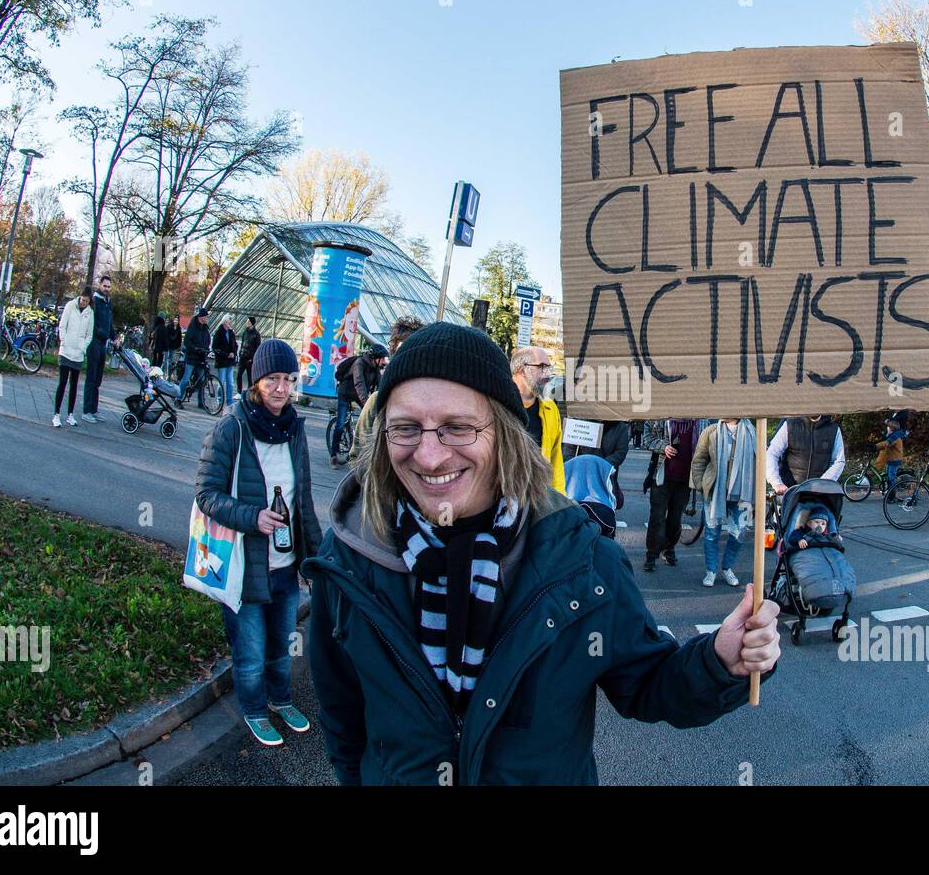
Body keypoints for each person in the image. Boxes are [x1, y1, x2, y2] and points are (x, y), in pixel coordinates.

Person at [304, 323, 780, 785]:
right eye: (406, 428)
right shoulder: (349, 558)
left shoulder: (581, 559)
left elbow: (650, 685)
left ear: (505, 435)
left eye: (458, 428)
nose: (429, 455)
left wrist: (720, 661)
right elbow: (342, 716)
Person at [195, 339, 323, 746]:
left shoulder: (294, 429)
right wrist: (253, 518)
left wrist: (317, 559)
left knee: (281, 646)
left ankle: (280, 699)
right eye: (272, 379)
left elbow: (302, 501)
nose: (281, 388)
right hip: (244, 564)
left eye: (288, 379)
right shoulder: (231, 427)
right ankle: (253, 708)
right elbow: (206, 493)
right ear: (256, 381)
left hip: (285, 563)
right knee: (249, 651)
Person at [690, 417, 757, 588]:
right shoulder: (711, 431)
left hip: (743, 494)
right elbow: (699, 460)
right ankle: (711, 571)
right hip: (715, 492)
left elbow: (760, 462)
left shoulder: (753, 432)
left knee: (740, 533)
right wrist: (701, 485)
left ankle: (727, 567)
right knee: (712, 533)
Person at [349, 315, 424, 461]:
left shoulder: (437, 405)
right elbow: (356, 454)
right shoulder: (377, 401)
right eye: (402, 353)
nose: (408, 360)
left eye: (415, 353)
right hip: (347, 394)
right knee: (340, 423)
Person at [642, 418, 700, 571]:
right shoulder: (661, 417)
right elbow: (647, 438)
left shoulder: (700, 420)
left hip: (685, 479)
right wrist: (663, 447)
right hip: (661, 476)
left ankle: (669, 548)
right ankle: (651, 553)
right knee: (657, 516)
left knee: (675, 518)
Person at [511, 345, 564, 493]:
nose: (547, 374)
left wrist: (560, 498)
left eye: (548, 368)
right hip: (502, 494)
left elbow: (555, 459)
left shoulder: (550, 409)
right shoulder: (499, 405)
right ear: (522, 369)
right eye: (541, 367)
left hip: (538, 494)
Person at [330, 343, 389, 466]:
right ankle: (333, 455)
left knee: (371, 418)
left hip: (358, 395)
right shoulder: (359, 363)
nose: (384, 361)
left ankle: (366, 450)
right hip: (345, 393)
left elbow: (380, 386)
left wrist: (382, 401)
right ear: (375, 357)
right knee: (340, 424)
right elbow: (359, 383)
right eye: (382, 358)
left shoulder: (375, 368)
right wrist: (366, 403)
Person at [767, 415, 846, 494]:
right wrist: (776, 482)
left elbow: (838, 461)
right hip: (789, 491)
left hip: (819, 493)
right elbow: (772, 453)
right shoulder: (790, 425)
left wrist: (821, 484)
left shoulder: (834, 429)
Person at [562, 420, 630, 508]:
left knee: (604, 508)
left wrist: (599, 466)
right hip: (579, 477)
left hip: (605, 477)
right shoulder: (578, 422)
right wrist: (579, 464)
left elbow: (620, 453)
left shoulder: (620, 427)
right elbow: (568, 452)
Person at [52, 287, 94, 428]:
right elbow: (62, 326)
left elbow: (89, 335)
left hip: (78, 354)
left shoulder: (90, 313)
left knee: (74, 384)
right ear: (79, 297)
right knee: (62, 382)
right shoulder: (70, 306)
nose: (84, 303)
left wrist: (83, 347)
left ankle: (70, 414)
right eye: (83, 300)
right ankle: (56, 414)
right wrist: (64, 340)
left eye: (87, 301)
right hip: (66, 351)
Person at [80, 275, 117, 423]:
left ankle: (93, 410)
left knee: (97, 380)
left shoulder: (107, 302)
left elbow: (110, 323)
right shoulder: (94, 301)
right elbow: (91, 323)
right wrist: (101, 333)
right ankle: (86, 411)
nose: (107, 289)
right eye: (105, 286)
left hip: (103, 344)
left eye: (109, 286)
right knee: (91, 377)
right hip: (94, 343)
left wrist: (114, 338)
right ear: (100, 285)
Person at [177, 307, 211, 411]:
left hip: (201, 357)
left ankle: (201, 402)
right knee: (186, 378)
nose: (207, 318)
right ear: (201, 317)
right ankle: (178, 398)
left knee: (201, 380)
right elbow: (187, 341)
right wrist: (195, 348)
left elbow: (207, 340)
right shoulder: (193, 327)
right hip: (192, 357)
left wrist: (206, 349)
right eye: (206, 317)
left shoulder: (205, 328)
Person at [212, 316, 239, 413]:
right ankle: (220, 401)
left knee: (230, 383)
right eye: (229, 322)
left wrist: (233, 353)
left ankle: (229, 401)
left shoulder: (231, 333)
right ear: (224, 322)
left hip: (230, 362)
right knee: (221, 382)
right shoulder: (218, 332)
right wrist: (226, 354)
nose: (231, 324)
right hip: (222, 362)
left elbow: (235, 345)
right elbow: (215, 348)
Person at [875, 417, 906, 491]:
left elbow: (887, 443)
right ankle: (890, 490)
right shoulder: (893, 435)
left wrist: (875, 446)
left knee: (891, 477)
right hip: (891, 459)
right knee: (889, 476)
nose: (887, 428)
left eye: (888, 427)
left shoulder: (894, 437)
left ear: (891, 429)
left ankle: (892, 493)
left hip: (894, 460)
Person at [237, 316, 261, 393]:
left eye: (248, 321)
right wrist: (240, 353)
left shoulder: (256, 334)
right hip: (243, 357)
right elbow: (242, 344)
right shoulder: (245, 332)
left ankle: (249, 394)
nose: (246, 323)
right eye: (247, 321)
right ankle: (239, 392)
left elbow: (258, 348)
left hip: (250, 359)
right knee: (238, 375)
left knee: (249, 378)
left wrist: (252, 359)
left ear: (252, 323)